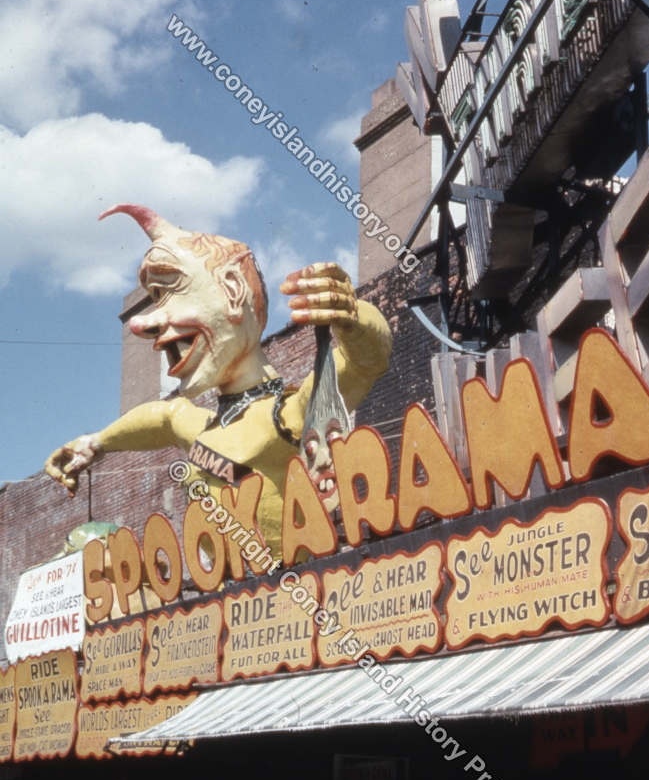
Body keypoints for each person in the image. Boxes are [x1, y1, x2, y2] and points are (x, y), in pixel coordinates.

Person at [44, 204, 392, 563]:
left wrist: (353, 317)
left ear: (232, 290)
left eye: (171, 291)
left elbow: (361, 364)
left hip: (299, 595)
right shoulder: (202, 429)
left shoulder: (288, 416)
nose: (142, 325)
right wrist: (94, 443)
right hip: (228, 602)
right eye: (154, 299)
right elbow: (164, 418)